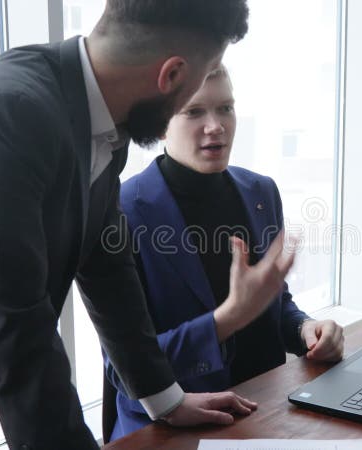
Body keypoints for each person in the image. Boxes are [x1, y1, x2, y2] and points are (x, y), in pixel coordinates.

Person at [0, 1, 294, 449]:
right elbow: (16, 330)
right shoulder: (11, 114)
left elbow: (107, 269)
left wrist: (167, 401)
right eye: (196, 92)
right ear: (172, 75)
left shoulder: (100, 119)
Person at [104, 66, 345, 440]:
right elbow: (125, 368)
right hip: (168, 427)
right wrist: (227, 318)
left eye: (226, 108)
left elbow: (274, 305)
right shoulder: (121, 212)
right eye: (194, 111)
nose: (216, 126)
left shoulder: (261, 192)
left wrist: (305, 330)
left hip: (264, 413)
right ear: (161, 125)